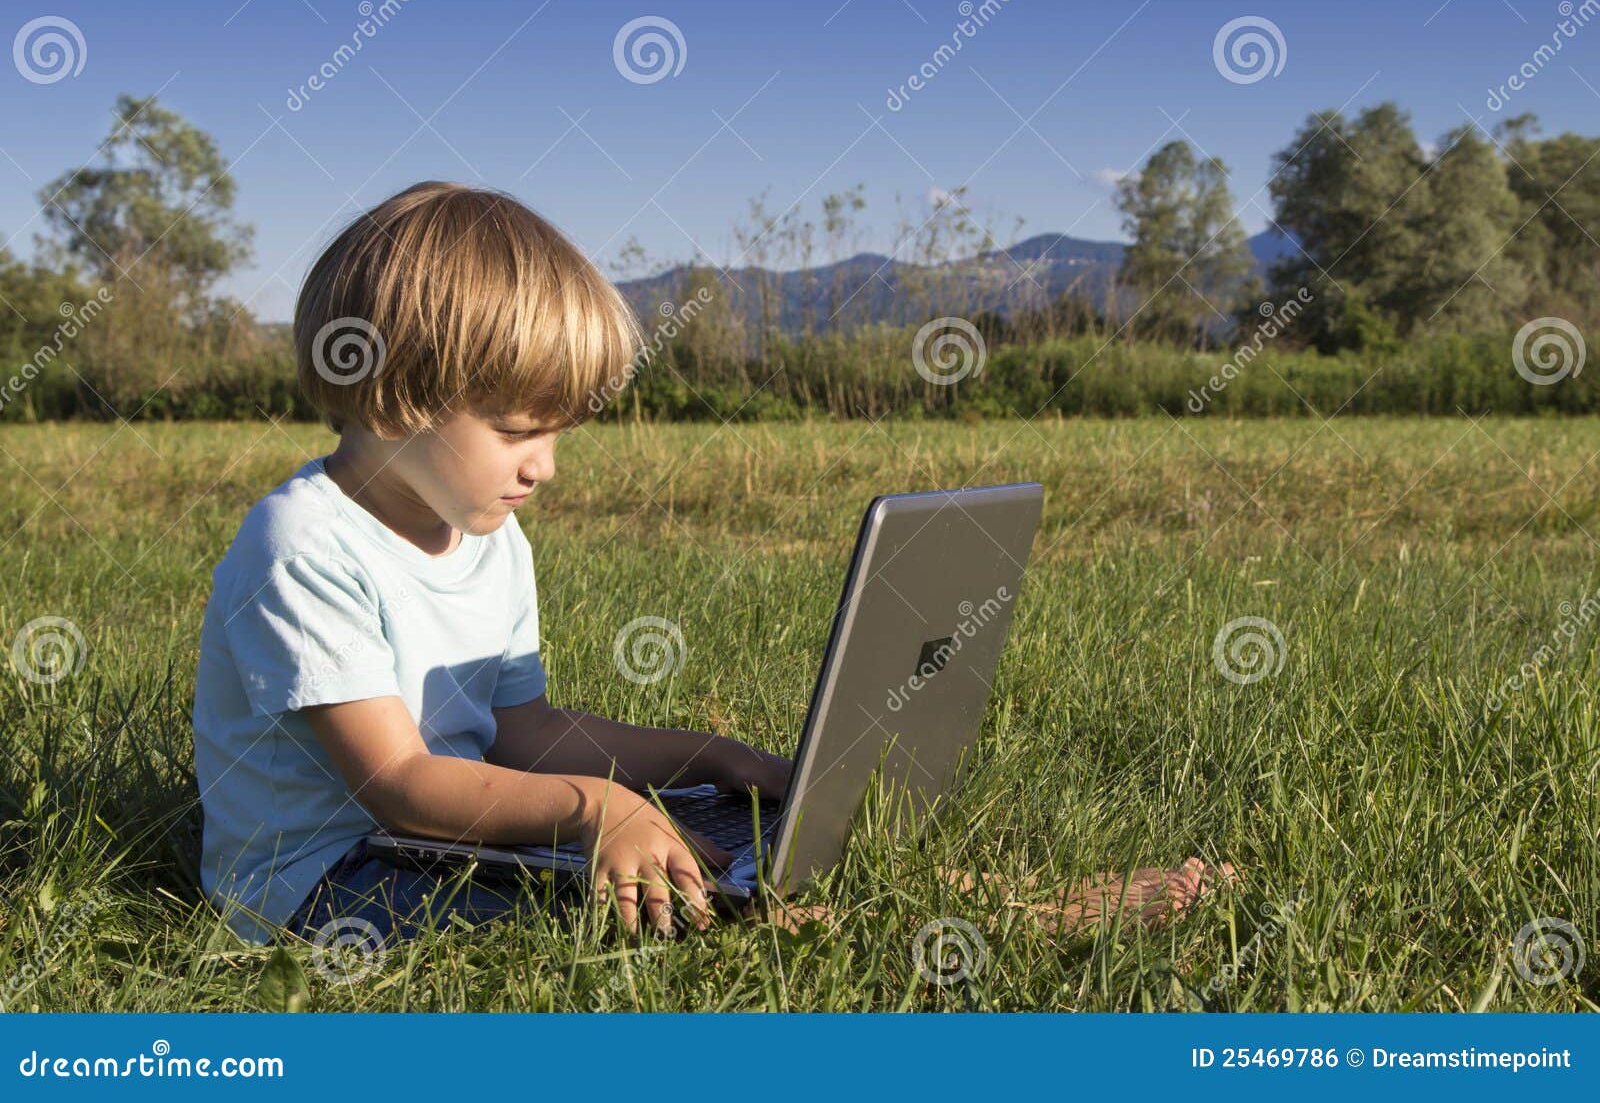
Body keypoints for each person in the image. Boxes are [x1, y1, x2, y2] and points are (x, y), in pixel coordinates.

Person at [190, 180, 1230, 950]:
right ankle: (1028, 921)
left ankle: (966, 891)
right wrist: (601, 808)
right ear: (400, 391)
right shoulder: (305, 545)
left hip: (460, 833)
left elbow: (522, 728)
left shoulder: (488, 531)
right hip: (333, 884)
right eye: (517, 429)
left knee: (745, 833)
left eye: (561, 430)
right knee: (697, 910)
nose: (545, 466)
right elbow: (400, 783)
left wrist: (708, 757)